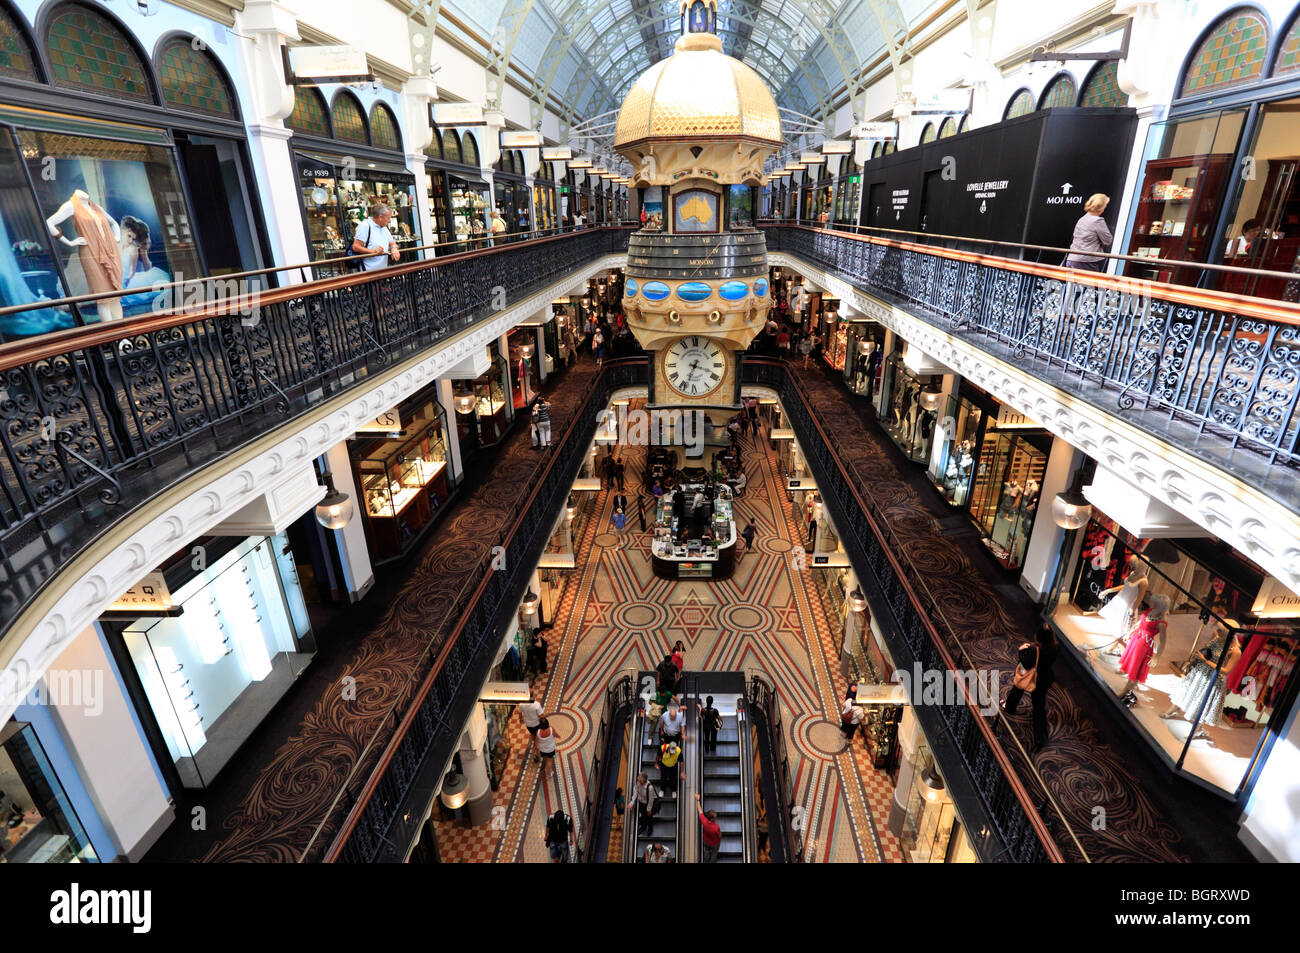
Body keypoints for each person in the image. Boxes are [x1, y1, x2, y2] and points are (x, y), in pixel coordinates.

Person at [1000, 624, 1058, 751]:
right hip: (1043, 680)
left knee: (1018, 687)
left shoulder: (1034, 650)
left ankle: (1009, 707)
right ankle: (1040, 738)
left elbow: (1025, 664)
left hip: (1031, 677)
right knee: (1039, 707)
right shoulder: (1055, 648)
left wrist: (1021, 650)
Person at [1116, 593, 1170, 708]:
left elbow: (1163, 642)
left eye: (1154, 602)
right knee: (1131, 665)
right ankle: (1130, 686)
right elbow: (1140, 623)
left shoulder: (1161, 623)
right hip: (1136, 640)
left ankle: (1126, 690)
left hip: (1144, 647)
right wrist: (1130, 632)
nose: (1151, 602)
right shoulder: (1150, 611)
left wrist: (1157, 656)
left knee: (1135, 670)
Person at [1063, 193, 1113, 272]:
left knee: (1072, 284)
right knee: (1089, 284)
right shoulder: (1097, 221)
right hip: (1086, 261)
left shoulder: (1082, 219)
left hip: (1072, 259)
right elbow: (1108, 240)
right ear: (1101, 208)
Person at [351, 203, 401, 271]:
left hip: (383, 271)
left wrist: (394, 249)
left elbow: (392, 243)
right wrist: (374, 252)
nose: (389, 221)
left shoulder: (384, 228)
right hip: (368, 273)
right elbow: (355, 247)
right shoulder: (365, 226)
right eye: (388, 218)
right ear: (380, 217)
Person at [693, 793, 722, 862]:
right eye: (715, 817)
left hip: (706, 841)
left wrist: (698, 800)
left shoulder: (704, 821)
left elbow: (700, 810)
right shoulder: (716, 827)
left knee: (706, 851)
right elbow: (719, 836)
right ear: (712, 819)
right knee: (714, 853)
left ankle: (706, 860)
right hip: (715, 843)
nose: (716, 817)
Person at [520, 695, 545, 761]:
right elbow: (542, 716)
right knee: (537, 739)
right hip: (536, 724)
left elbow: (519, 712)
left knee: (534, 737)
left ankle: (536, 749)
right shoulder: (536, 705)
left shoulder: (522, 704)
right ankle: (535, 754)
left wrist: (520, 718)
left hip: (528, 725)